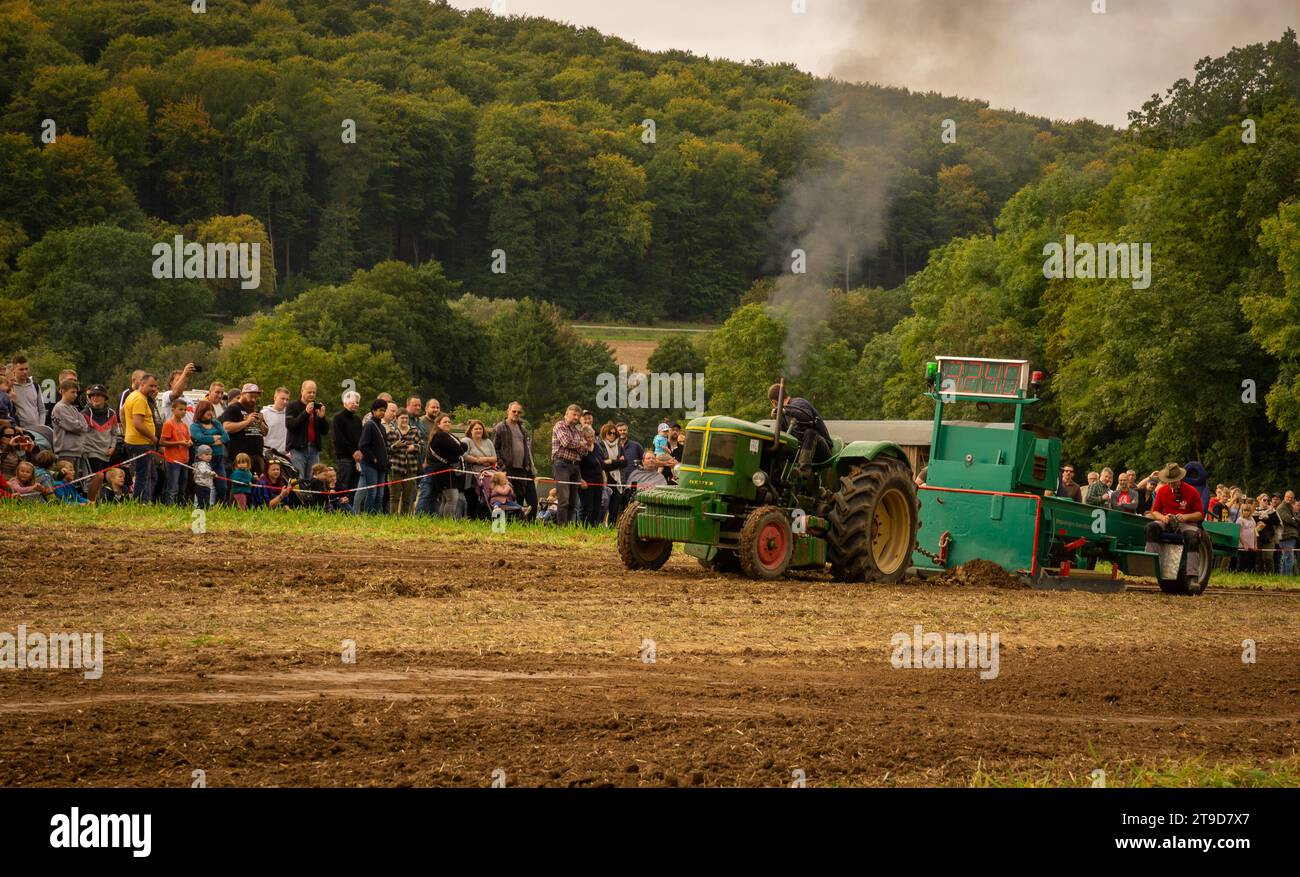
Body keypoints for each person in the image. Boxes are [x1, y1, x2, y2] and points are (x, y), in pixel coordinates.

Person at [1143, 462, 1205, 575]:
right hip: (1168, 521)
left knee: (1193, 537)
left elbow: (1200, 514)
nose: (1171, 485)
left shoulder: (1192, 491)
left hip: (1187, 524)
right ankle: (1150, 565)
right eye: (1168, 482)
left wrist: (1185, 517)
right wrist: (1163, 517)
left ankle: (1192, 575)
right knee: (1150, 527)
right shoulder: (1162, 491)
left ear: (1180, 479)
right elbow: (1154, 511)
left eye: (1174, 482)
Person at [768, 383, 832, 476]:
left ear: (774, 402)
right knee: (779, 445)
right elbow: (783, 435)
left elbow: (806, 416)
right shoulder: (782, 414)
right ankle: (774, 475)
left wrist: (786, 411)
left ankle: (803, 474)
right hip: (801, 450)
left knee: (810, 433)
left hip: (821, 451)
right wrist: (778, 418)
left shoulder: (798, 403)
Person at [492, 402, 536, 521]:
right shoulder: (500, 427)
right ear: (508, 411)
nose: (516, 414)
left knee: (520, 496)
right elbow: (494, 448)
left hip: (522, 468)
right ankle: (508, 522)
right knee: (508, 496)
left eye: (519, 412)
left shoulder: (523, 429)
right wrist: (502, 465)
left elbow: (527, 448)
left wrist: (528, 465)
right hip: (507, 468)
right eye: (514, 411)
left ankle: (520, 522)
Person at [122, 372, 160, 502]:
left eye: (156, 386)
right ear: (142, 384)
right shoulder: (139, 399)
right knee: (143, 476)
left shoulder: (133, 396)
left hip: (136, 441)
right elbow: (138, 424)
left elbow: (122, 412)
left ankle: (142, 501)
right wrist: (153, 438)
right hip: (140, 443)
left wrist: (126, 430)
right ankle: (140, 502)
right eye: (151, 386)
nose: (154, 389)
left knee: (148, 476)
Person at [80, 385, 118, 501]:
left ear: (105, 398)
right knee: (98, 476)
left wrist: (113, 447)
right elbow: (81, 433)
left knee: (104, 479)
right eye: (93, 396)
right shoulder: (84, 414)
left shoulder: (112, 414)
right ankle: (90, 502)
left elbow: (114, 433)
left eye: (98, 395)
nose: (95, 398)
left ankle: (100, 500)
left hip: (106, 452)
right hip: (91, 451)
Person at [285, 380, 329, 478]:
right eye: (309, 392)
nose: (312, 394)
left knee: (313, 479)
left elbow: (325, 431)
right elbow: (291, 426)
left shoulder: (316, 407)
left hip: (314, 449)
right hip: (298, 449)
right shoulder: (292, 406)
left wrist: (322, 418)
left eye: (314, 392)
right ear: (302, 391)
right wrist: (306, 413)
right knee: (298, 479)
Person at [550, 405, 585, 525]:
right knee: (563, 498)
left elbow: (584, 451)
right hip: (562, 464)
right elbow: (566, 443)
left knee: (572, 500)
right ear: (566, 414)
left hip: (575, 466)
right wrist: (579, 444)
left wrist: (580, 445)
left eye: (578, 415)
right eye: (573, 414)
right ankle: (561, 526)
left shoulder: (578, 430)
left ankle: (567, 526)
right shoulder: (559, 425)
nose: (576, 417)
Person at [220, 384, 266, 477]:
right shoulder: (234, 408)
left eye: (255, 397)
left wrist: (261, 423)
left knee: (257, 485)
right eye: (251, 396)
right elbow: (226, 427)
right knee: (242, 484)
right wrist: (247, 421)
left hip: (257, 455)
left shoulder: (255, 410)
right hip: (241, 457)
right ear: (242, 394)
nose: (253, 400)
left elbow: (265, 432)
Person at [189, 401, 230, 505]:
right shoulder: (195, 426)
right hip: (203, 462)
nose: (210, 413)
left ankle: (219, 507)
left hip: (219, 459)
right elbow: (199, 438)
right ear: (200, 411)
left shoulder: (216, 423)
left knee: (222, 487)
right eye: (207, 410)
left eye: (211, 410)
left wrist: (209, 441)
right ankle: (204, 507)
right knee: (205, 486)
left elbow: (226, 437)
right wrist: (214, 438)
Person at [355, 399, 391, 514]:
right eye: (380, 410)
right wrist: (373, 458)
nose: (382, 413)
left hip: (381, 466)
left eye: (384, 411)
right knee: (372, 492)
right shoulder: (369, 425)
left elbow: (384, 447)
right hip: (370, 465)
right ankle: (369, 514)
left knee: (380, 494)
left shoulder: (382, 427)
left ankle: (376, 515)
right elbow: (363, 445)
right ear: (373, 411)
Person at [427, 413, 466, 518]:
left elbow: (463, 447)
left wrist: (459, 447)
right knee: (452, 498)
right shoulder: (441, 436)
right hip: (444, 471)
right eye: (445, 422)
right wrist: (459, 447)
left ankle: (443, 522)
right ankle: (447, 522)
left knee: (446, 499)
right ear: (438, 424)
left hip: (446, 471)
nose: (448, 423)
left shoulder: (448, 436)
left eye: (449, 422)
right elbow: (460, 449)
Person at [50, 378, 90, 478]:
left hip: (77, 450)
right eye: (72, 392)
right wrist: (80, 426)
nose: (75, 395)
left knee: (74, 480)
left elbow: (85, 425)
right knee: (65, 479)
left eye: (76, 392)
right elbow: (73, 426)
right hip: (65, 451)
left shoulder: (73, 408)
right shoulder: (59, 408)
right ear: (63, 391)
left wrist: (81, 426)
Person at [385, 411, 421, 515]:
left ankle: (404, 517)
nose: (404, 420)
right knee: (394, 496)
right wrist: (396, 446)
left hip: (411, 467)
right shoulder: (391, 432)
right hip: (396, 467)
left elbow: (422, 446)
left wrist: (414, 447)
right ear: (396, 419)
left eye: (406, 418)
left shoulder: (415, 431)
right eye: (402, 418)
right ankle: (393, 517)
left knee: (407, 496)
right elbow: (387, 450)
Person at [461, 420, 497, 520]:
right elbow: (464, 455)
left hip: (488, 473)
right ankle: (471, 517)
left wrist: (485, 459)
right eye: (476, 428)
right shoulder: (466, 441)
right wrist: (478, 461)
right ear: (471, 430)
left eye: (480, 428)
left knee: (488, 495)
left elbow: (494, 458)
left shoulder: (488, 441)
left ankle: (484, 516)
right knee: (472, 497)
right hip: (472, 474)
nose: (478, 430)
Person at [161, 397, 193, 505]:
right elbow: (162, 442)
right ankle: (169, 507)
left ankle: (180, 506)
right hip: (172, 460)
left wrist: (189, 443)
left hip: (184, 459)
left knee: (182, 487)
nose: (183, 412)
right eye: (180, 409)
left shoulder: (184, 425)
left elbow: (188, 440)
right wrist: (179, 443)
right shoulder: (169, 424)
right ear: (173, 409)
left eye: (185, 409)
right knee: (172, 487)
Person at [332, 391, 364, 496]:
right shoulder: (338, 418)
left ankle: (351, 511)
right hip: (344, 458)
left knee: (354, 487)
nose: (355, 404)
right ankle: (340, 510)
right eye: (352, 402)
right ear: (345, 403)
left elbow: (361, 438)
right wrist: (353, 452)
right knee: (343, 486)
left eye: (357, 403)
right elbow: (339, 439)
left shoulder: (357, 419)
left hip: (357, 459)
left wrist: (359, 451)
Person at [598, 422, 627, 525]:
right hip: (605, 479)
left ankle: (611, 528)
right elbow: (602, 465)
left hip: (617, 480)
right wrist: (618, 462)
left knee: (614, 508)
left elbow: (625, 463)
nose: (612, 435)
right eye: (609, 433)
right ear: (604, 433)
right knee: (603, 506)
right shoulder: (600, 446)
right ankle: (599, 527)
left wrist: (612, 461)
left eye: (614, 433)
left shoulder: (619, 446)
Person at [577, 424, 605, 526]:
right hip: (586, 482)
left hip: (598, 481)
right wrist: (580, 479)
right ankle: (583, 527)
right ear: (583, 438)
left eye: (592, 437)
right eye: (587, 437)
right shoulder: (580, 449)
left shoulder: (597, 447)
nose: (590, 439)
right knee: (587, 507)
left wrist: (604, 477)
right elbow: (576, 466)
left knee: (597, 507)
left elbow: (601, 463)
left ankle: (594, 527)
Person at [8, 356, 42, 430]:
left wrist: (41, 426)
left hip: (37, 430)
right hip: (20, 430)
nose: (25, 372)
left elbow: (42, 410)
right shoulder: (9, 387)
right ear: (13, 370)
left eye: (26, 369)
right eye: (21, 369)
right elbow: (5, 411)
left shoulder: (35, 385)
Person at [260, 386, 291, 456]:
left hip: (285, 454)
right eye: (282, 399)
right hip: (267, 453)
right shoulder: (264, 413)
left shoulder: (289, 414)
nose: (285, 401)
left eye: (287, 399)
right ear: (275, 398)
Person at [1277, 489, 1298, 575]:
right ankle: (1287, 576)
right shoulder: (1281, 507)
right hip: (1286, 535)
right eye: (1288, 497)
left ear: (1293, 499)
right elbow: (1290, 520)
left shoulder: (1289, 507)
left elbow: (1294, 519)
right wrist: (1295, 520)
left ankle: (1285, 577)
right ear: (1284, 497)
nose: (1289, 499)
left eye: (1291, 497)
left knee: (1287, 557)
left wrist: (1294, 519)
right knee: (1288, 557)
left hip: (1289, 535)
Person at [1236, 496, 1259, 573]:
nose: (1246, 512)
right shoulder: (1240, 520)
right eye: (1244, 510)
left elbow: (1254, 532)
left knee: (1251, 561)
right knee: (1242, 561)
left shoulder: (1252, 519)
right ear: (1242, 511)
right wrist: (1244, 544)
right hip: (1242, 545)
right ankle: (1239, 573)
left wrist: (1255, 544)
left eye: (1248, 510)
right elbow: (1239, 533)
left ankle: (1251, 573)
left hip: (1251, 544)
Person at [192, 445, 216, 509]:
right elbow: (203, 471)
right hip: (202, 485)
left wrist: (212, 476)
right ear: (200, 456)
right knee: (201, 499)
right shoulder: (201, 464)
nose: (209, 456)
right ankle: (199, 509)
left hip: (206, 485)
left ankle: (204, 508)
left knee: (204, 499)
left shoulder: (206, 464)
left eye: (210, 454)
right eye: (207, 454)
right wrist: (212, 473)